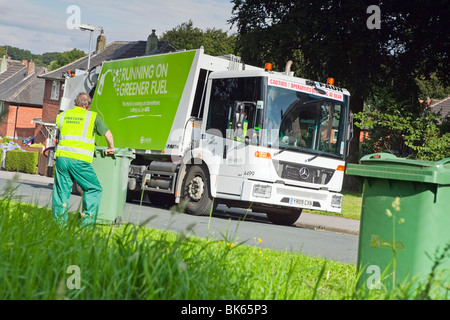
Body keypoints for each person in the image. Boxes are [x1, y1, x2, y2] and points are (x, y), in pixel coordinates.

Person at [52, 92, 114, 227]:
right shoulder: (93, 117)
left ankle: (58, 225)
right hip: (79, 161)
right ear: (88, 105)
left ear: (76, 103)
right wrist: (111, 148)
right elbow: (108, 135)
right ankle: (86, 224)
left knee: (61, 191)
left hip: (62, 159)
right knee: (94, 189)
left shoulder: (63, 116)